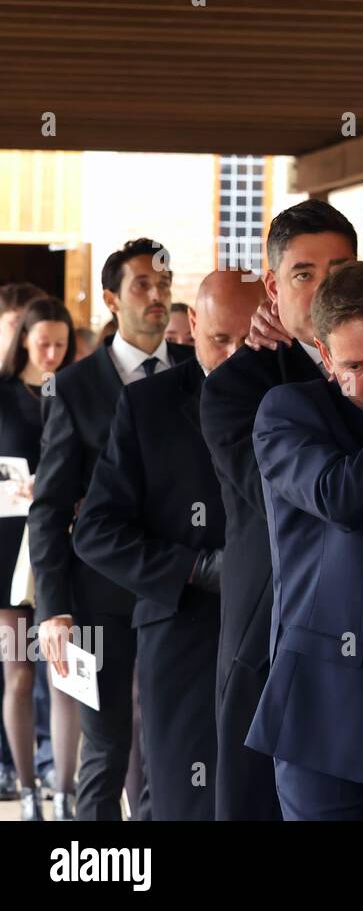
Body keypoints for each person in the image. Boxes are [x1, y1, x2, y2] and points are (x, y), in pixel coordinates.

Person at [73, 269, 264, 819]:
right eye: (218, 339)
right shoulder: (148, 406)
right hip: (184, 629)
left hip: (274, 628)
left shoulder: (291, 393)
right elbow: (96, 531)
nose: (231, 357)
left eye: (245, 341)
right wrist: (197, 568)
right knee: (183, 796)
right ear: (193, 326)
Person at [200, 200, 356, 820]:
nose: (323, 289)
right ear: (272, 285)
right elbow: (313, 502)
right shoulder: (238, 388)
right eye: (303, 274)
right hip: (274, 635)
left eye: (340, 271)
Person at [31, 238, 194, 821]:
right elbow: (49, 505)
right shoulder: (73, 388)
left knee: (169, 746)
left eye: (164, 285)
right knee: (104, 747)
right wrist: (52, 607)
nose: (157, 296)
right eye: (142, 286)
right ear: (110, 298)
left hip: (179, 590)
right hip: (96, 595)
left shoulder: (195, 374)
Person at [249, 261, 363, 820]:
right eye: (354, 365)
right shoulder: (287, 412)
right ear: (323, 355)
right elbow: (340, 498)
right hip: (325, 722)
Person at [0, 298, 80, 820]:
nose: (52, 354)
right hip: (6, 546)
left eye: (61, 344)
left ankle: (66, 790)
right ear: (23, 339)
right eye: (43, 343)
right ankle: (28, 788)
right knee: (18, 672)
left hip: (61, 543)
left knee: (65, 671)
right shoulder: (3, 395)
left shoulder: (75, 391)